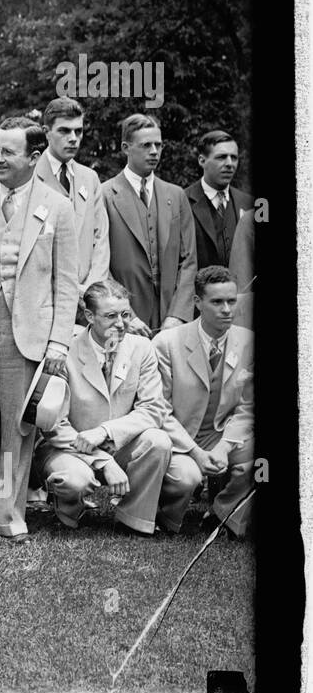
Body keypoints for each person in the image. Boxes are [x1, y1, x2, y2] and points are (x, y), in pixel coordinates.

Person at [0, 116, 79, 541]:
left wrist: (59, 341)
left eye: (8, 151)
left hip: (29, 332)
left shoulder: (58, 206)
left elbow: (66, 281)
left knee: (18, 427)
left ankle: (10, 515)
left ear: (34, 157)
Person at [35, 280, 200, 535]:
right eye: (110, 316)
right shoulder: (65, 350)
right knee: (72, 481)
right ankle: (70, 508)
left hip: (119, 443)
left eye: (125, 314)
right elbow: (55, 427)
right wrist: (103, 461)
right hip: (71, 448)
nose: (121, 323)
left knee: (159, 441)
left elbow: (153, 409)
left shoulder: (141, 347)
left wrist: (107, 431)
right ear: (89, 316)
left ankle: (135, 517)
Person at [154, 267, 254, 537]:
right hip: (179, 436)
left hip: (222, 434)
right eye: (217, 302)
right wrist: (196, 452)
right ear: (197, 303)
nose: (226, 310)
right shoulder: (166, 343)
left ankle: (223, 515)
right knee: (188, 477)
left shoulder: (249, 343)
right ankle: (165, 514)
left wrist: (224, 447)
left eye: (232, 301)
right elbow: (158, 409)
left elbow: (248, 408)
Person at [103, 113, 196, 332]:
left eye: (158, 145)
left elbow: (189, 260)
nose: (154, 151)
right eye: (146, 145)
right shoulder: (105, 195)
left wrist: (177, 315)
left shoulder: (176, 194)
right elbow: (100, 265)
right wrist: (126, 316)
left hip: (171, 322)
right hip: (125, 323)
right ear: (126, 148)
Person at [34, 97, 110, 306]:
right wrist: (72, 289)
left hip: (89, 298)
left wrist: (93, 289)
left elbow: (100, 238)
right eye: (64, 131)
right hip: (45, 296)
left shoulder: (89, 177)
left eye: (78, 131)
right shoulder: (31, 176)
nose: (73, 138)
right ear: (46, 132)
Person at [185, 130, 254, 270]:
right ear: (202, 161)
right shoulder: (181, 202)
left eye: (234, 158)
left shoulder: (250, 204)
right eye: (221, 157)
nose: (230, 163)